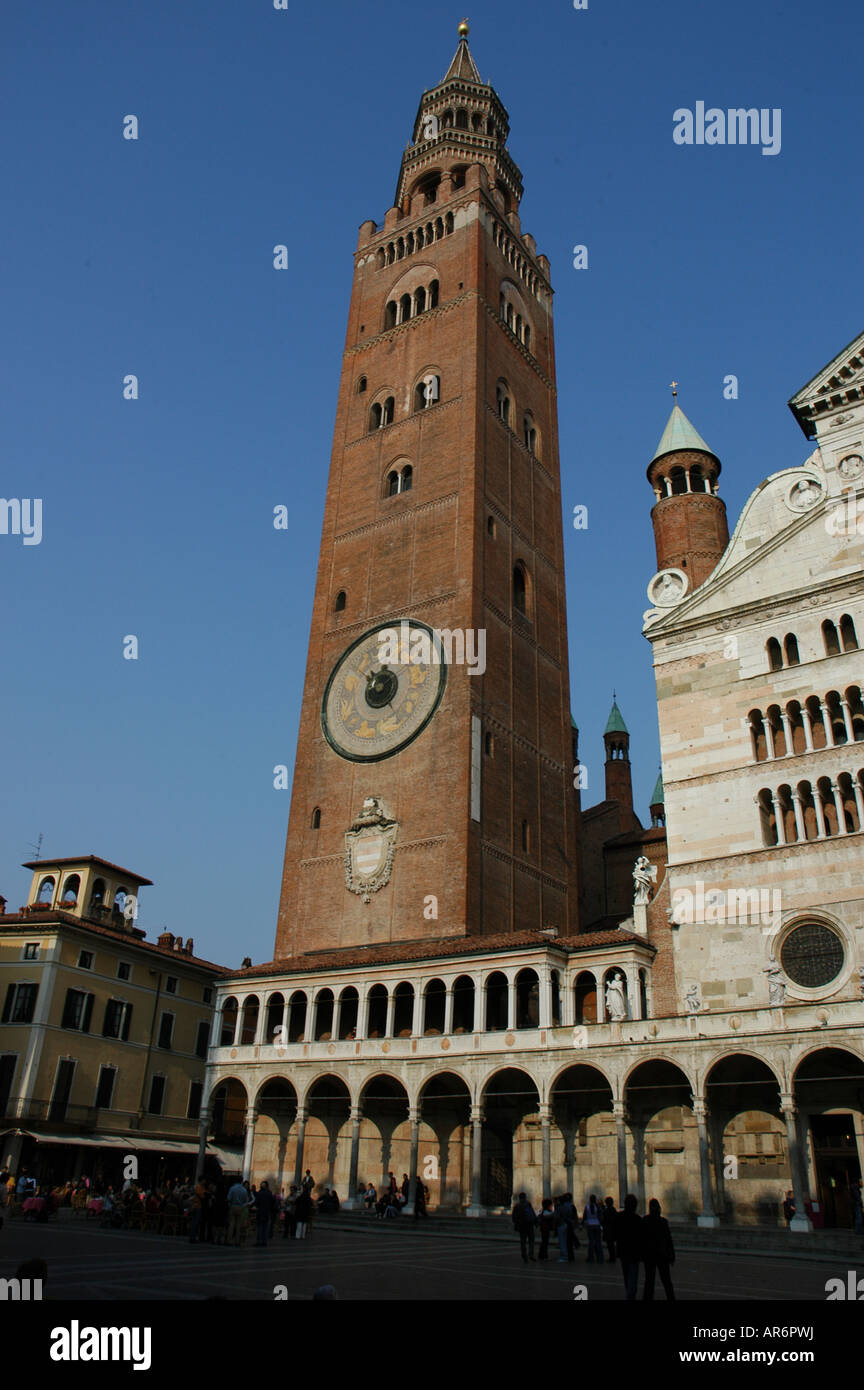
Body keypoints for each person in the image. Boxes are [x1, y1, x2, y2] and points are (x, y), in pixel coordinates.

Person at [642, 1197, 675, 1301]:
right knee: (666, 1281)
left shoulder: (645, 1220)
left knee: (649, 1281)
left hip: (650, 1255)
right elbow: (669, 1240)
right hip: (662, 1255)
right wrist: (671, 1255)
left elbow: (641, 1239)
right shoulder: (663, 1222)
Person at [615, 1193, 643, 1301]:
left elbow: (615, 1232)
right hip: (634, 1253)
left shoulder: (619, 1217)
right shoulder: (638, 1219)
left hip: (623, 1251)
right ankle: (630, 1295)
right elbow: (642, 1237)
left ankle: (630, 1294)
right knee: (632, 1277)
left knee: (627, 1276)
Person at [511, 1192, 537, 1262]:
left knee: (523, 1241)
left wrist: (517, 1224)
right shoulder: (528, 1204)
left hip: (522, 1226)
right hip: (529, 1225)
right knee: (531, 1240)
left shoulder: (517, 1206)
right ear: (525, 1197)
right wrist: (535, 1221)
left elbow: (513, 1217)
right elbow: (532, 1213)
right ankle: (531, 1254)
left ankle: (524, 1255)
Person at [227, 1177, 251, 1247]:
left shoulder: (232, 1188)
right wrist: (242, 1206)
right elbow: (246, 1200)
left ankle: (229, 1240)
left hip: (233, 1206)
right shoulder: (244, 1190)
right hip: (240, 1207)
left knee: (231, 1224)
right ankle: (237, 1241)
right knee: (238, 1225)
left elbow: (229, 1198)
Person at [254, 1180, 275, 1247]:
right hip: (267, 1212)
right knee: (265, 1228)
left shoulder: (259, 1193)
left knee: (260, 1227)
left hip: (260, 1212)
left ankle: (259, 1241)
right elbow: (272, 1203)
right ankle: (264, 1241)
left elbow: (256, 1203)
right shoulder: (269, 1193)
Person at [583, 1194, 604, 1263]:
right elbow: (600, 1216)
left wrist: (584, 1224)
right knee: (598, 1242)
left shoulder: (587, 1207)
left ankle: (591, 1257)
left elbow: (584, 1216)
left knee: (591, 1242)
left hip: (590, 1225)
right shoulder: (598, 1207)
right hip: (597, 1225)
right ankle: (600, 1257)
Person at [555, 1193, 576, 1262]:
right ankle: (570, 1256)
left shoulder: (561, 1207)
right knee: (568, 1242)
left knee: (563, 1242)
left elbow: (557, 1216)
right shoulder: (570, 1206)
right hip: (568, 1224)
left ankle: (564, 1256)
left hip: (562, 1224)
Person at [602, 1196, 617, 1261]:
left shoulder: (606, 1211)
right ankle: (612, 1256)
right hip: (612, 1229)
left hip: (608, 1229)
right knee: (611, 1245)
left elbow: (604, 1220)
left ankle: (612, 1257)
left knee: (610, 1244)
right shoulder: (614, 1210)